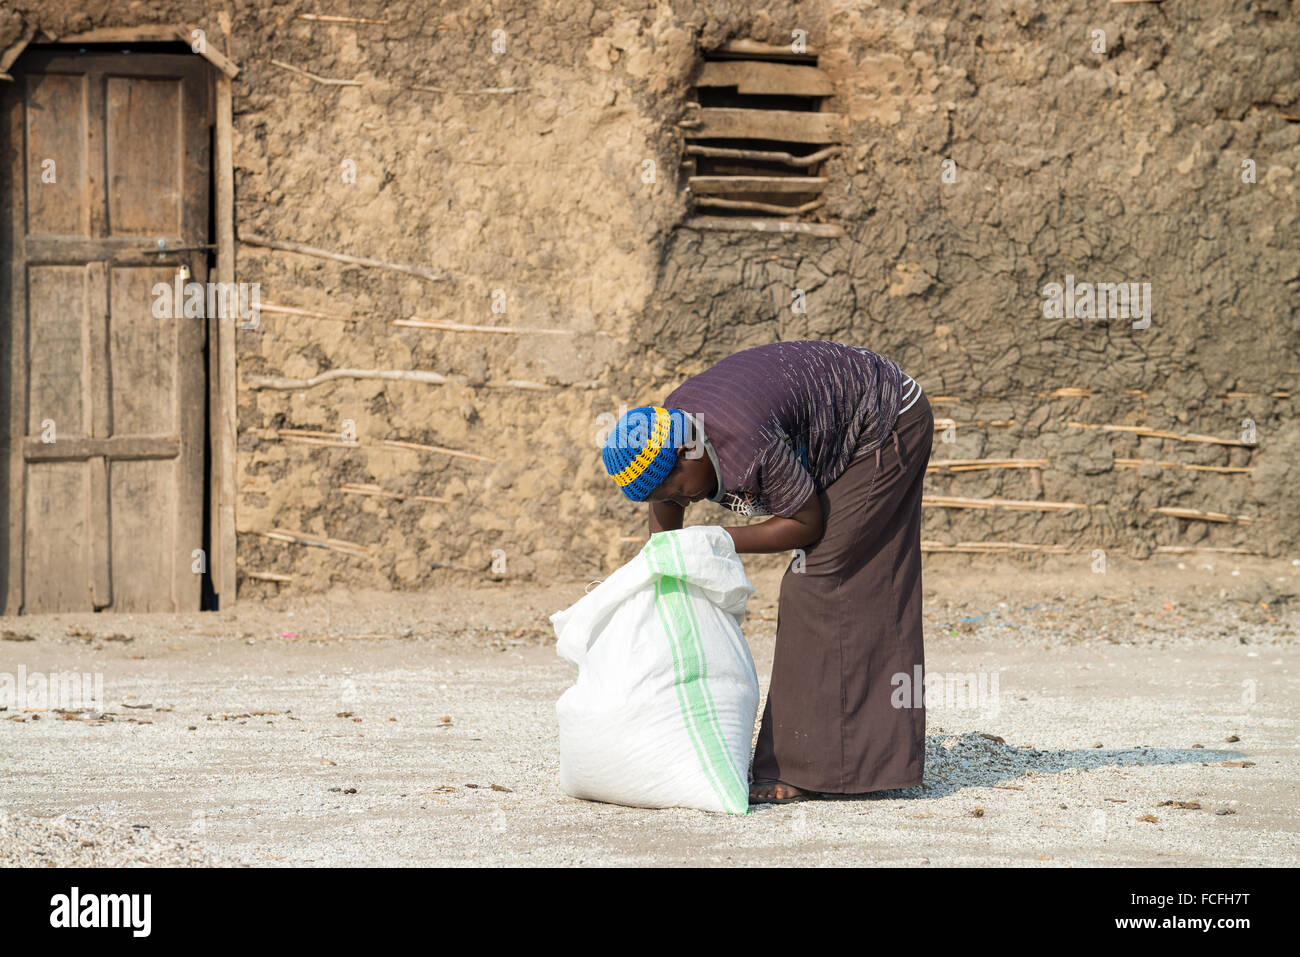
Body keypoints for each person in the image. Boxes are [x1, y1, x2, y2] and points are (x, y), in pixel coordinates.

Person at [599, 340, 933, 804]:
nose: (682, 498)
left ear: (690, 451)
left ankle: (809, 766)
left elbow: (804, 524)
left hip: (887, 421)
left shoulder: (744, 444)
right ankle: (852, 755)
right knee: (829, 582)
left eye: (677, 485)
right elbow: (666, 505)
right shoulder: (670, 431)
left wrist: (717, 540)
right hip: (837, 429)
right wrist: (662, 563)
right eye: (661, 493)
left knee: (817, 581)